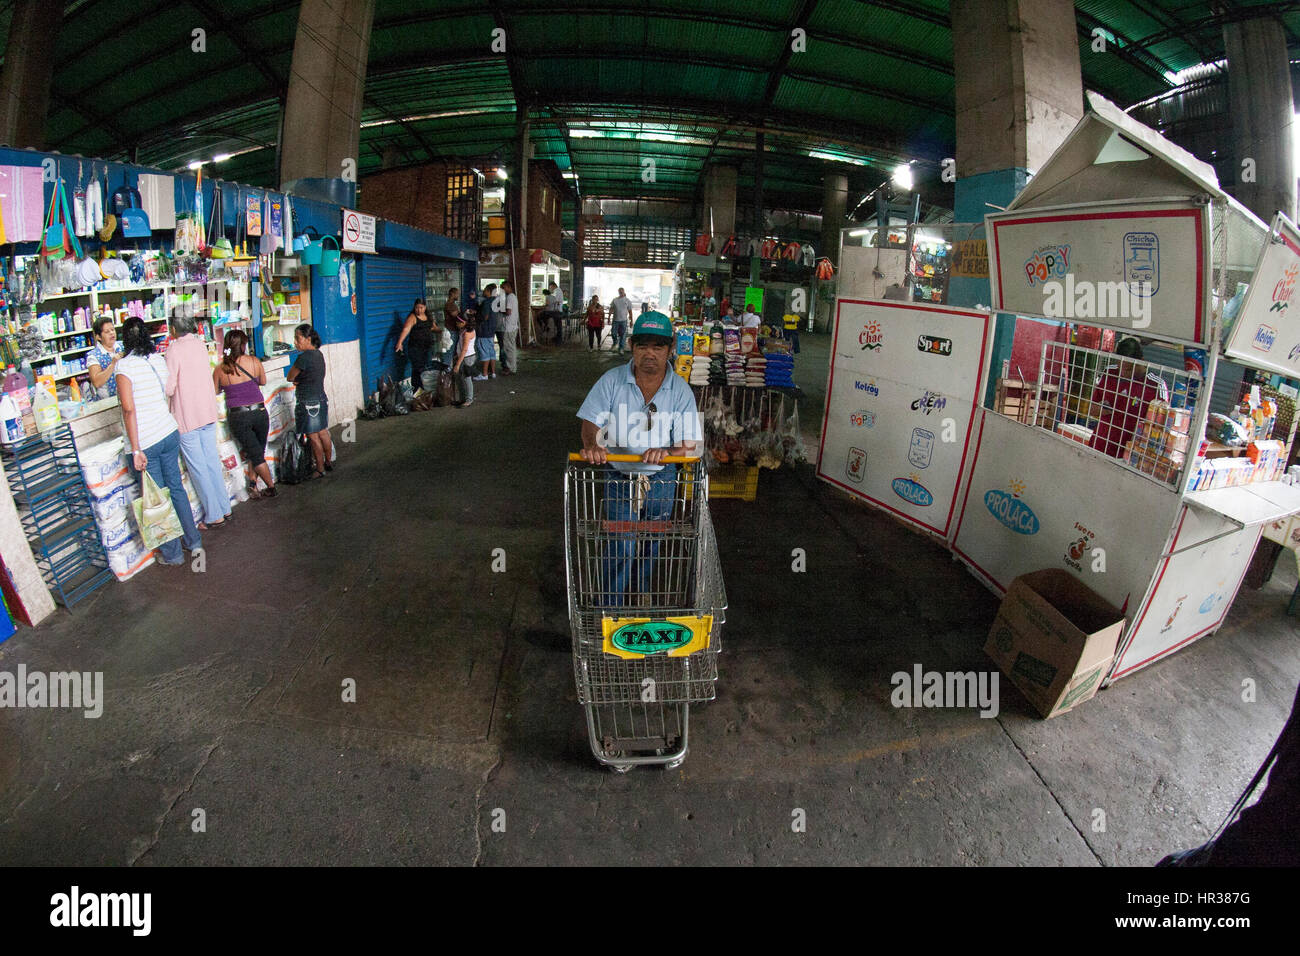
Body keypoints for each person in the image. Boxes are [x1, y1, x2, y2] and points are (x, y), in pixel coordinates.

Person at [577, 311, 703, 606]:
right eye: (643, 346)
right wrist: (593, 444)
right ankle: (609, 607)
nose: (650, 354)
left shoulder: (681, 391)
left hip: (662, 479)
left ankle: (638, 592)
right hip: (621, 477)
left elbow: (690, 445)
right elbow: (590, 421)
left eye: (658, 347)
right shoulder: (612, 380)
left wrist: (667, 452)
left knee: (651, 543)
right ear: (631, 346)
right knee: (621, 544)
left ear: (670, 349)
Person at [115, 317, 202, 566]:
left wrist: (136, 449)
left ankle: (173, 555)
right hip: (168, 431)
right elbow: (166, 391)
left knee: (157, 499)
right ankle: (193, 541)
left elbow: (128, 410)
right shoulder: (157, 359)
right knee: (175, 488)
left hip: (147, 441)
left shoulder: (124, 367)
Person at [165, 309, 231, 531]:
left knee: (198, 468)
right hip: (207, 412)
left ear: (173, 329)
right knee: (212, 461)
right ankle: (225, 506)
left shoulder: (173, 350)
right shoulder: (200, 344)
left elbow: (169, 386)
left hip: (188, 416)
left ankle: (214, 515)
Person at [213, 329, 276, 499]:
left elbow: (216, 391)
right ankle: (263, 485)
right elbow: (262, 381)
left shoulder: (220, 369)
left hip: (239, 417)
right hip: (259, 412)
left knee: (254, 452)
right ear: (242, 346)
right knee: (256, 451)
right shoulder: (254, 361)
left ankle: (262, 485)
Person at [1087, 336, 1169, 460]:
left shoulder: (1156, 385)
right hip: (1099, 446)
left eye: (1129, 369)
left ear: (1142, 361)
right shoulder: (1110, 372)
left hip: (1130, 456)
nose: (1123, 373)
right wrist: (1100, 409)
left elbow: (1161, 430)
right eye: (1120, 367)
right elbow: (1091, 409)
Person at [286, 324, 333, 480]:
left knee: (313, 436)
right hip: (320, 397)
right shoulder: (319, 355)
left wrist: (297, 380)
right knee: (323, 431)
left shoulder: (304, 357)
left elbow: (290, 377)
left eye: (298, 339)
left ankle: (319, 469)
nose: (295, 342)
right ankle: (328, 461)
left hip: (308, 401)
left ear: (308, 339)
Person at [395, 299, 441, 391]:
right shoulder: (412, 317)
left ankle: (426, 390)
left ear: (425, 307)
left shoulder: (428, 316)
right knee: (417, 369)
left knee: (426, 369)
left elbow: (433, 327)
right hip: (415, 349)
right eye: (417, 307)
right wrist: (399, 342)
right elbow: (406, 329)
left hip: (427, 348)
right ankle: (416, 390)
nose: (419, 310)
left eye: (421, 307)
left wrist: (441, 331)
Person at [86, 316, 122, 399]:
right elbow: (97, 382)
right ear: (98, 337)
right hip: (107, 402)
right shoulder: (93, 356)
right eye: (107, 332)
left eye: (113, 330)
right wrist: (112, 364)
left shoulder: (122, 346)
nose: (112, 333)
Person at [451, 310, 478, 408]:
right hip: (463, 356)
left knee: (467, 378)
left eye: (460, 322)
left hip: (467, 357)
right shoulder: (463, 330)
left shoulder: (467, 333)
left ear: (466, 322)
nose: (457, 324)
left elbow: (465, 349)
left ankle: (469, 400)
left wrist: (458, 364)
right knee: (458, 377)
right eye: (457, 322)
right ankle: (462, 399)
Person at [475, 283, 499, 380]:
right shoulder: (495, 301)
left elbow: (485, 316)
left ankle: (484, 374)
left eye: (484, 290)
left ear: (489, 291)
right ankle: (493, 373)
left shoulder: (487, 302)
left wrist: (477, 318)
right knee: (491, 351)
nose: (483, 292)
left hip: (484, 330)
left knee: (484, 352)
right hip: (492, 329)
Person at [497, 280, 520, 374]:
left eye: (503, 288)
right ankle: (512, 367)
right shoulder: (513, 297)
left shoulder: (510, 297)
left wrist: (500, 310)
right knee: (511, 347)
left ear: (507, 287)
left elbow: (508, 312)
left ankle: (510, 367)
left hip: (509, 327)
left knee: (509, 348)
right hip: (513, 326)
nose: (502, 290)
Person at [442, 288, 465, 366]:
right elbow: (456, 316)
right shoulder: (450, 304)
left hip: (453, 330)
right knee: (449, 352)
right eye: (457, 293)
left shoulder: (452, 304)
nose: (458, 295)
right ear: (452, 294)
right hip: (450, 331)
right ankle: (446, 371)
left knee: (452, 352)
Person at [609, 287, 633, 353]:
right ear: (618, 292)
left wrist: (631, 321)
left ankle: (621, 348)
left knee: (623, 335)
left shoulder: (627, 300)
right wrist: (608, 317)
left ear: (624, 292)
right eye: (620, 291)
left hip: (624, 321)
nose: (621, 292)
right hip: (615, 320)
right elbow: (611, 309)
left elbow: (630, 311)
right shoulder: (615, 300)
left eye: (622, 291)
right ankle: (615, 342)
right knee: (613, 333)